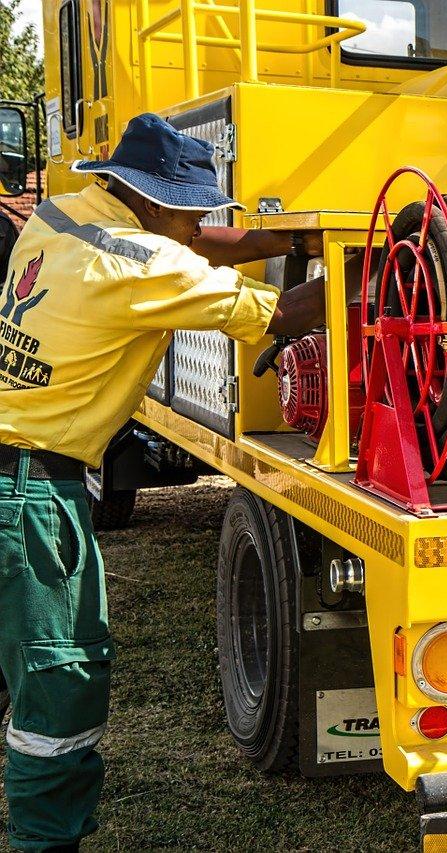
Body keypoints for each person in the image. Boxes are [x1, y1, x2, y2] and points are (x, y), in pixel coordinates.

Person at [0, 112, 337, 851]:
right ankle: (43, 841)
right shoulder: (139, 264)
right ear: (149, 200)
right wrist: (363, 274)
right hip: (31, 493)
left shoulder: (63, 214)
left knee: (15, 663)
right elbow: (281, 311)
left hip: (12, 467)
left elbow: (195, 244)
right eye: (185, 204)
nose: (197, 219)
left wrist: (286, 241)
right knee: (61, 685)